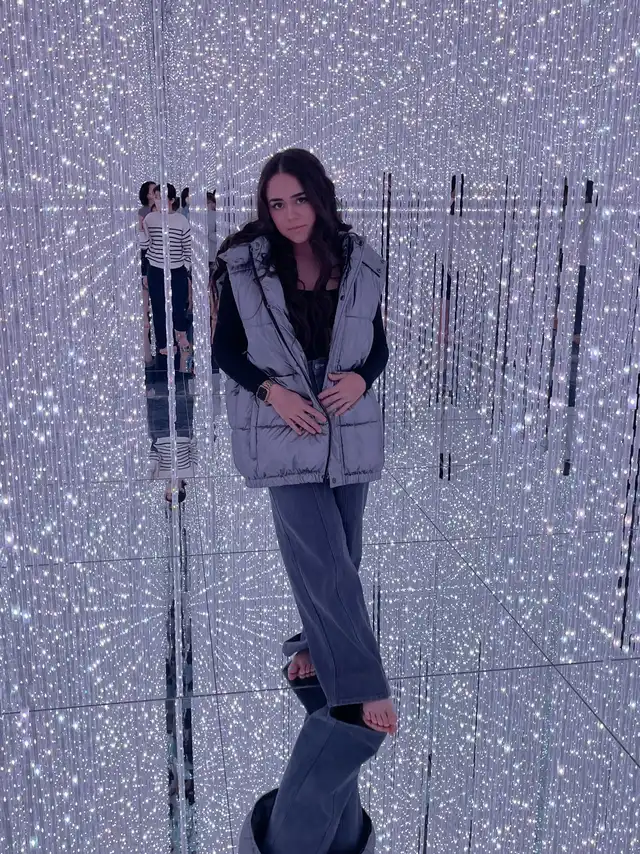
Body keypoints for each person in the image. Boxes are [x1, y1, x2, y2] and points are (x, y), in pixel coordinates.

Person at [213, 148, 395, 854]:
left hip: (347, 428)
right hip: (287, 431)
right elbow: (228, 350)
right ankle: (361, 686)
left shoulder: (360, 260)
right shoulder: (244, 266)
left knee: (344, 554)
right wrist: (274, 394)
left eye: (298, 199)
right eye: (276, 202)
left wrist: (362, 379)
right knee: (320, 558)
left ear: (320, 198)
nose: (289, 214)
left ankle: (314, 653)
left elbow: (378, 343)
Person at [138, 184, 192, 372]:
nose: (159, 201)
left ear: (171, 200)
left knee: (178, 304)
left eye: (163, 197)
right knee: (158, 306)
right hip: (155, 268)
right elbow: (145, 244)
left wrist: (185, 266)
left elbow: (187, 246)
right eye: (157, 197)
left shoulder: (181, 220)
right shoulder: (150, 219)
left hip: (177, 269)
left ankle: (181, 337)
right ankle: (163, 344)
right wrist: (141, 230)